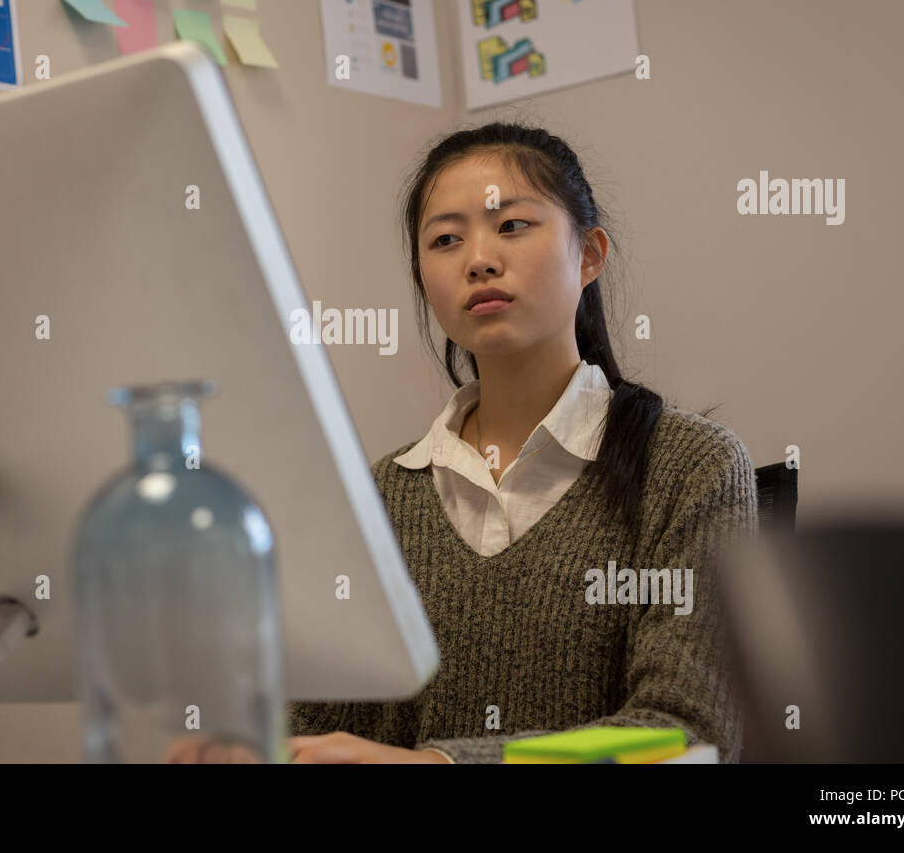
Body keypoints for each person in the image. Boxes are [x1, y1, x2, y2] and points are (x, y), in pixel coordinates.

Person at [287, 122, 759, 764]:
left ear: (589, 255)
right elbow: (319, 721)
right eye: (446, 240)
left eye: (511, 226)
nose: (478, 259)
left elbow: (684, 735)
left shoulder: (690, 466)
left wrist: (444, 764)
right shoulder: (378, 494)